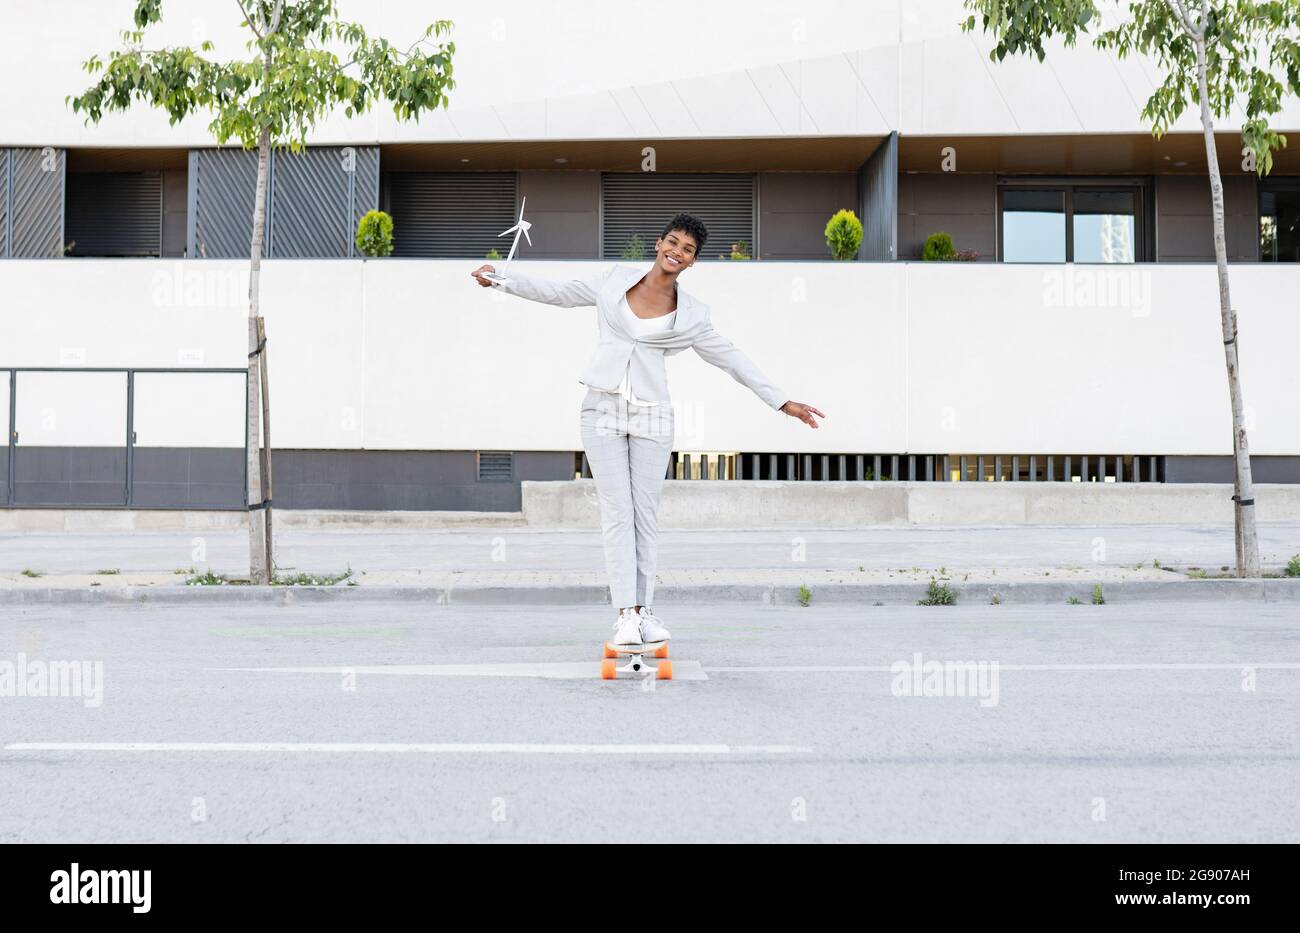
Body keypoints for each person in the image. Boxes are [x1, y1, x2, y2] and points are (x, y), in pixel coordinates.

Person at [471, 212, 824, 646]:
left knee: (646, 517)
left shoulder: (694, 314)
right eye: (673, 242)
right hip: (601, 410)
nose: (677, 252)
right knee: (618, 513)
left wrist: (781, 401)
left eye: (688, 249)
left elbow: (731, 358)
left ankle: (645, 610)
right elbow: (560, 293)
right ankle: (625, 615)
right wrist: (502, 278)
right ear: (659, 243)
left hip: (653, 416)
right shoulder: (615, 279)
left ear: (693, 262)